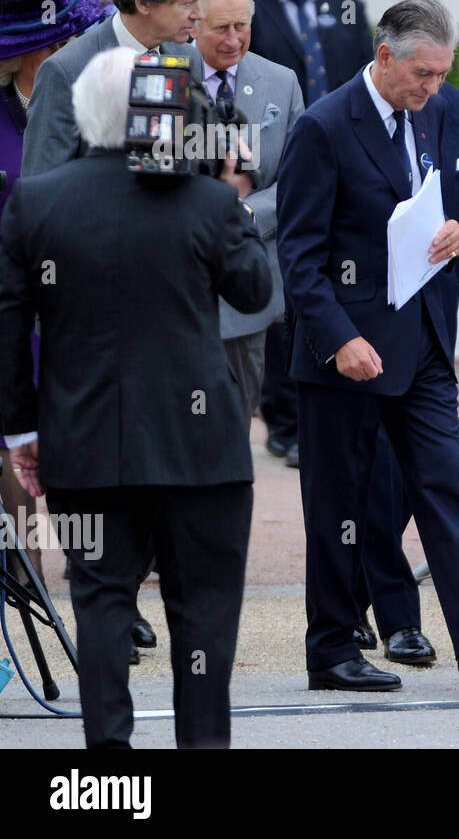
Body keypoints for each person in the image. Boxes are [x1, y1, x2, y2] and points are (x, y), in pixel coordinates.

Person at [276, 0, 459, 692]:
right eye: (422, 74)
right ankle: (331, 650)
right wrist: (339, 338)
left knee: (445, 484)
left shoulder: (449, 109)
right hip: (347, 350)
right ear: (384, 57)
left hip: (425, 338)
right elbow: (300, 255)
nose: (433, 88)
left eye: (441, 73)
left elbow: (442, 209)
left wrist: (456, 234)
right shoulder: (323, 127)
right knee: (338, 506)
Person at [0, 46, 272, 747]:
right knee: (203, 613)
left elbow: (8, 323)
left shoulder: (36, 201)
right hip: (200, 452)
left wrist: (21, 432)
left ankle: (111, 769)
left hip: (86, 441)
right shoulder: (208, 201)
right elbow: (254, 290)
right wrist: (230, 191)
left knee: (101, 604)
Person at [0, 0, 110, 588]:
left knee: (79, 455)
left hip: (73, 311)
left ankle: (99, 587)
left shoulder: (90, 113)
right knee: (12, 456)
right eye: (52, 44)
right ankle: (25, 586)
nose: (65, 52)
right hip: (13, 309)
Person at [193, 0, 304, 420]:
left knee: (235, 419)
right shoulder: (162, 73)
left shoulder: (281, 81)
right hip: (179, 277)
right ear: (193, 21)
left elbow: (300, 181)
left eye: (243, 25)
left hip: (248, 277)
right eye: (222, 27)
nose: (235, 39)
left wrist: (242, 211)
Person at [22, 0, 210, 178]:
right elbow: (41, 185)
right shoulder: (66, 70)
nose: (199, 14)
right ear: (143, 3)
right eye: (187, 3)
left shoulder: (188, 57)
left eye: (199, 1)